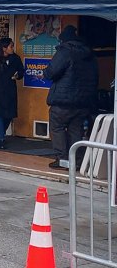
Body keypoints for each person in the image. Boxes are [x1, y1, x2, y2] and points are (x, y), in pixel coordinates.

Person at [45, 25, 98, 169]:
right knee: (76, 130)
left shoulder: (65, 52)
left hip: (63, 100)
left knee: (57, 128)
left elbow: (50, 73)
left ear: (64, 40)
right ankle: (76, 161)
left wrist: (46, 72)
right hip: (83, 101)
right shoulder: (89, 54)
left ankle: (62, 160)